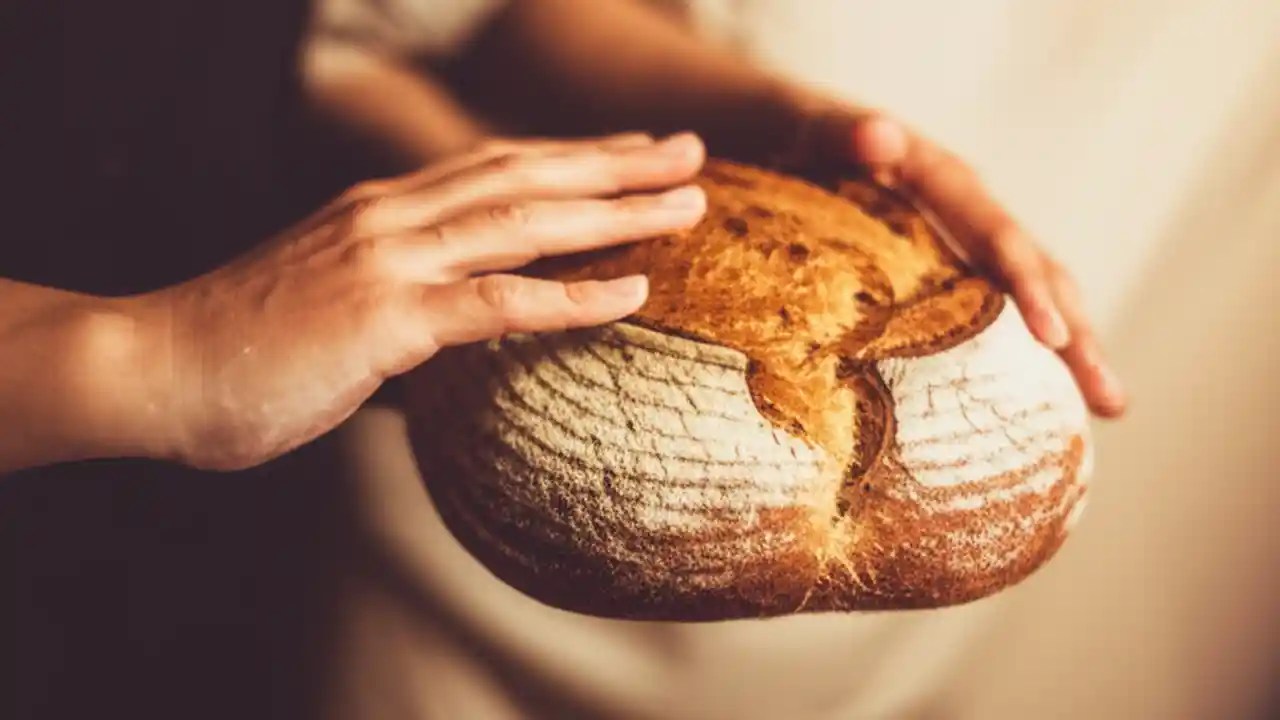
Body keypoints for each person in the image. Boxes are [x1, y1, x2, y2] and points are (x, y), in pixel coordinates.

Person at [0, 0, 1125, 717]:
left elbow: (417, 17)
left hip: (225, 545)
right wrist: (145, 361)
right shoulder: (177, 364)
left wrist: (771, 130)